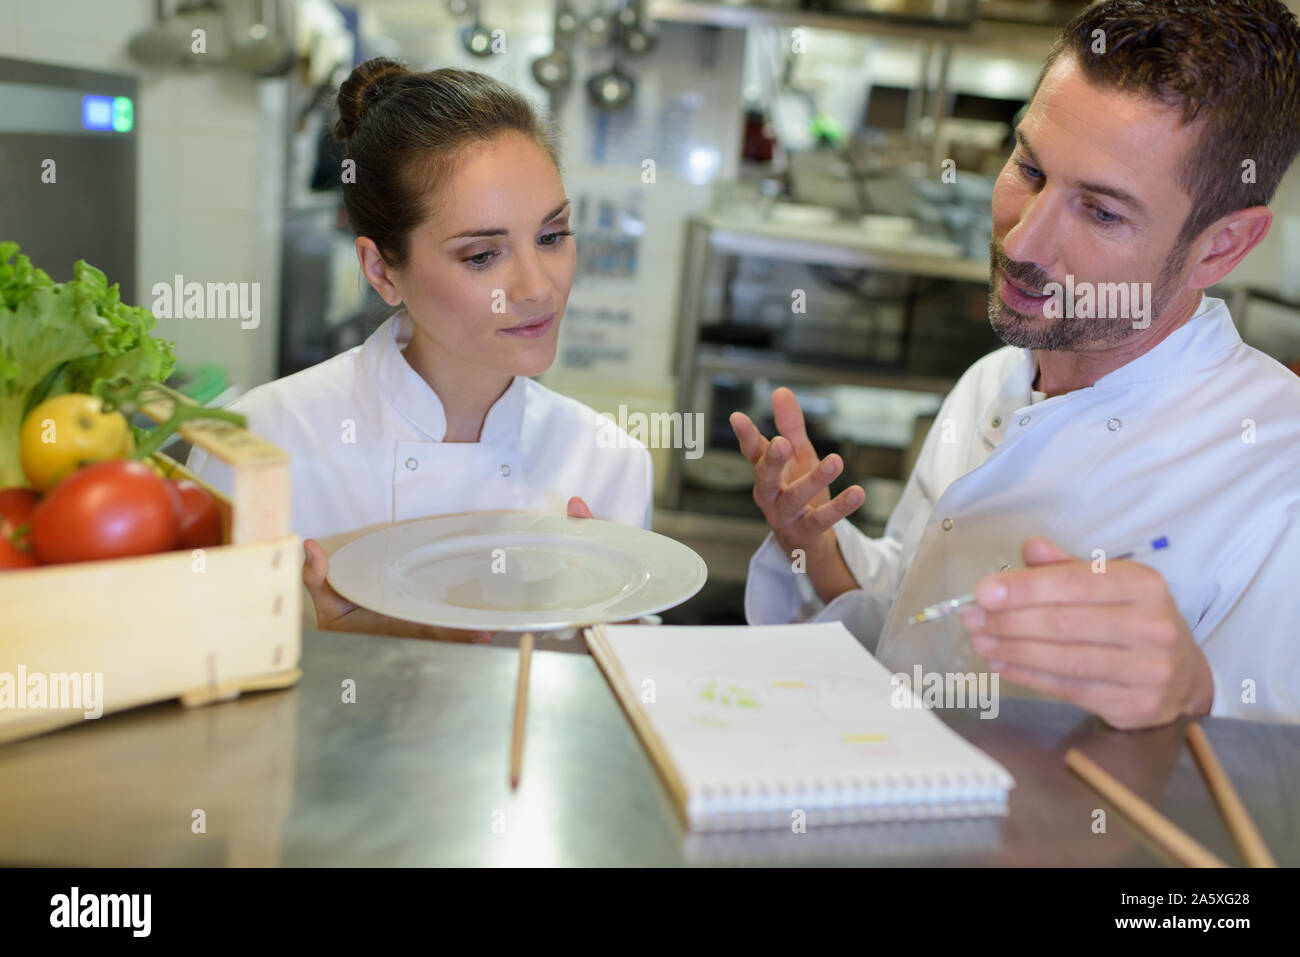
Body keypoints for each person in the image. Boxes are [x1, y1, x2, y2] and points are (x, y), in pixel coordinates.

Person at [732, 0, 1300, 727]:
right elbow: (912, 633)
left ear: (1220, 248)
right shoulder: (991, 382)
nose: (1023, 241)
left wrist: (1200, 697)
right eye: (1029, 167)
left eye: (1101, 212)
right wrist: (812, 543)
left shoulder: (1275, 470)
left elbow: (1273, 789)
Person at [188, 59, 653, 641]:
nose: (538, 288)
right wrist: (349, 657)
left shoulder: (608, 464)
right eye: (482, 255)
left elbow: (616, 714)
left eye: (551, 236)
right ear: (382, 271)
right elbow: (192, 689)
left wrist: (611, 646)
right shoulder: (263, 443)